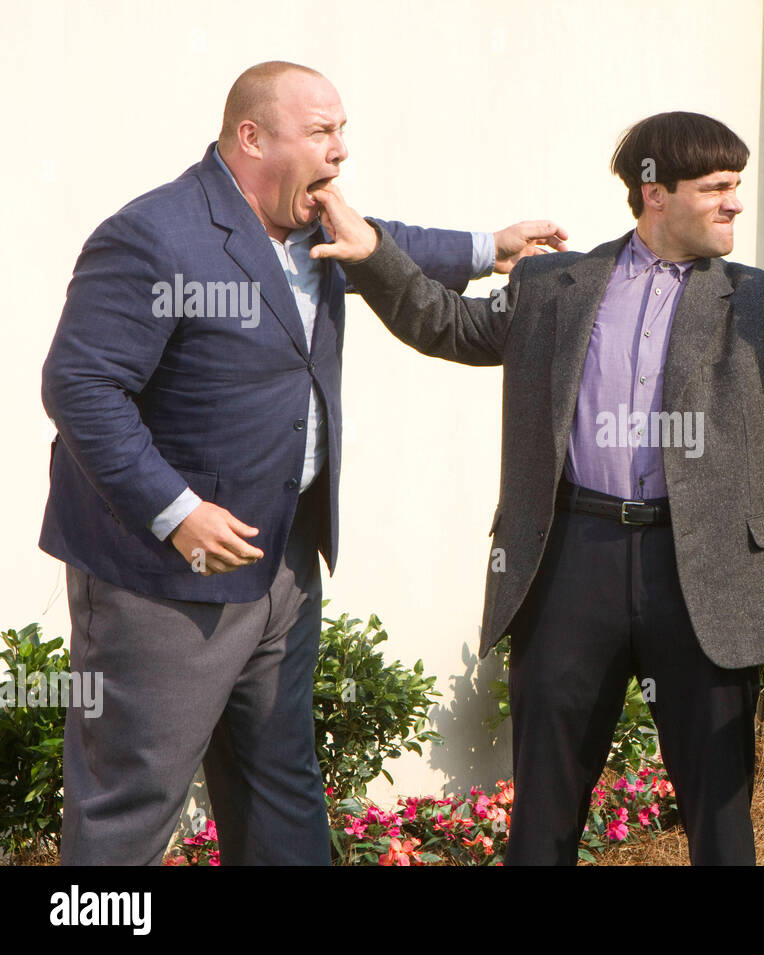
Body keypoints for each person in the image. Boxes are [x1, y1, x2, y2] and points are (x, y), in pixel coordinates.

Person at [310, 110, 764, 864]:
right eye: (716, 187)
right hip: (571, 559)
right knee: (543, 816)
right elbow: (448, 324)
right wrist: (374, 254)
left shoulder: (756, 299)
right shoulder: (554, 286)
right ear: (655, 193)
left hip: (701, 569)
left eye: (737, 185)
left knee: (721, 819)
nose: (735, 202)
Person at [40, 60, 566, 865]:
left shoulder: (310, 227)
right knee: (131, 802)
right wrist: (177, 512)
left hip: (283, 562)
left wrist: (485, 247)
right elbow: (79, 386)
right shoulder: (155, 235)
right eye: (322, 132)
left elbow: (384, 241)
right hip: (165, 578)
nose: (341, 150)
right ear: (252, 137)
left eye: (342, 130)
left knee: (279, 790)